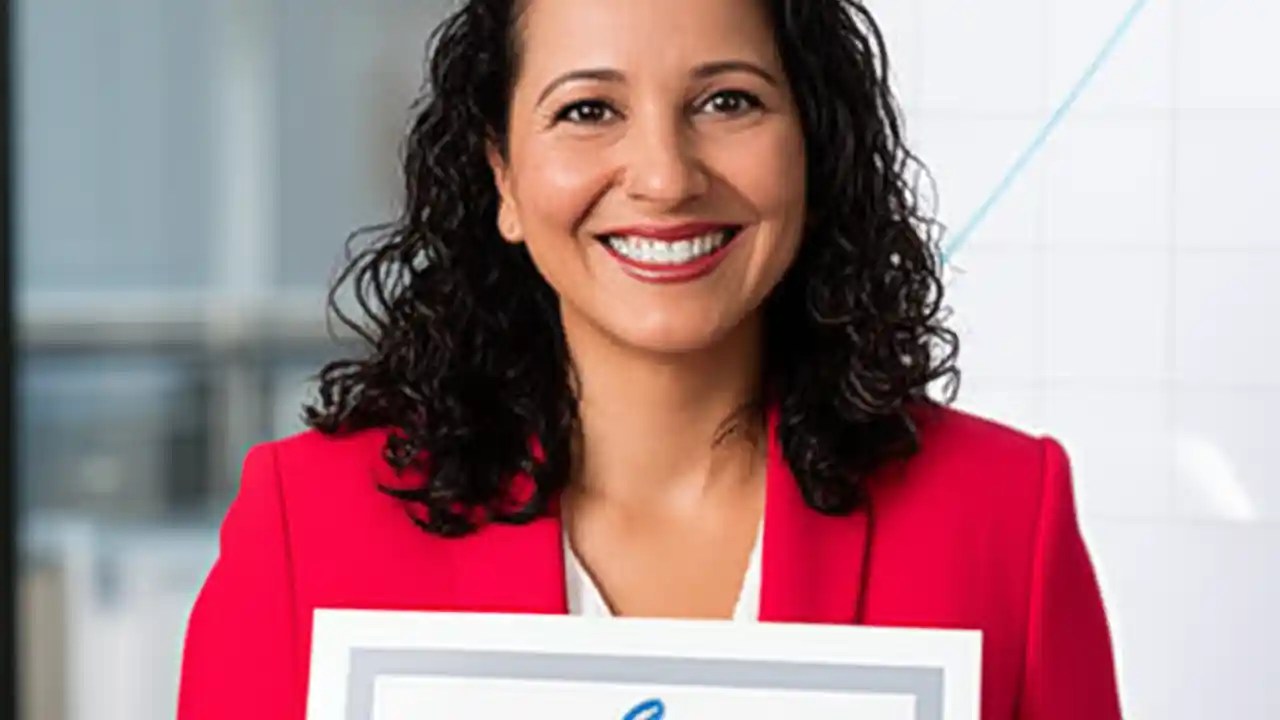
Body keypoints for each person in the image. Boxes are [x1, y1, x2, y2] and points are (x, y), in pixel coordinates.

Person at [177, 0, 1123, 718]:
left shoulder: (1004, 516)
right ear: (502, 176)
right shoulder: (308, 528)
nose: (666, 176)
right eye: (588, 110)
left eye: (727, 101)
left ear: (812, 149)